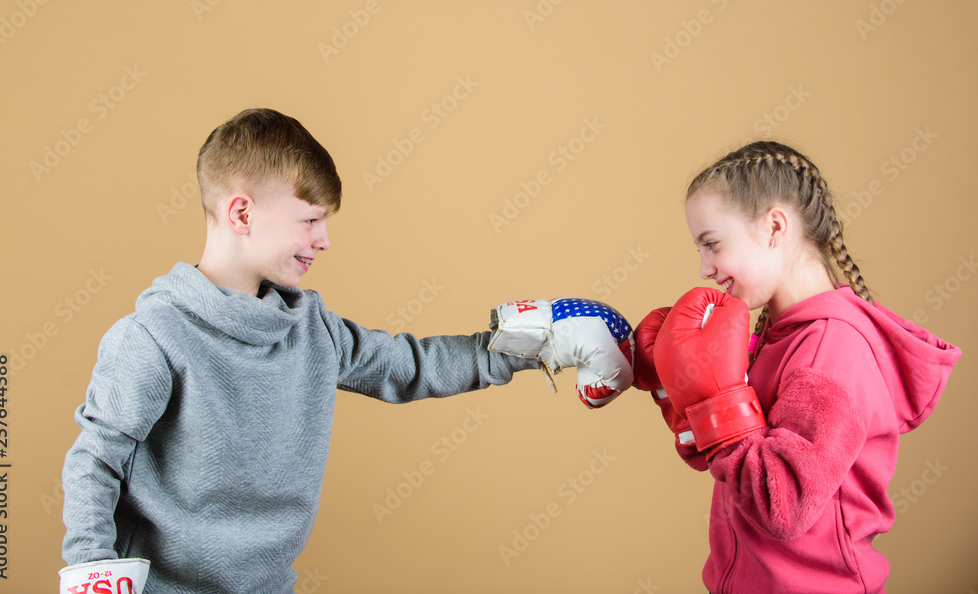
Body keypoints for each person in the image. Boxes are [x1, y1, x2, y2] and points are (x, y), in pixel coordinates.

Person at [60, 108, 631, 592]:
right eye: (309, 220)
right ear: (241, 213)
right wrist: (91, 573)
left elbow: (413, 366)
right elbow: (97, 458)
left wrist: (528, 347)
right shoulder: (153, 338)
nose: (323, 239)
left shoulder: (312, 329)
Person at [632, 141, 961, 593]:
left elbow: (782, 505)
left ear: (774, 227)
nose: (705, 268)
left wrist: (714, 399)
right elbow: (724, 462)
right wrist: (678, 390)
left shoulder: (831, 348)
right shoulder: (774, 335)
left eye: (712, 244)